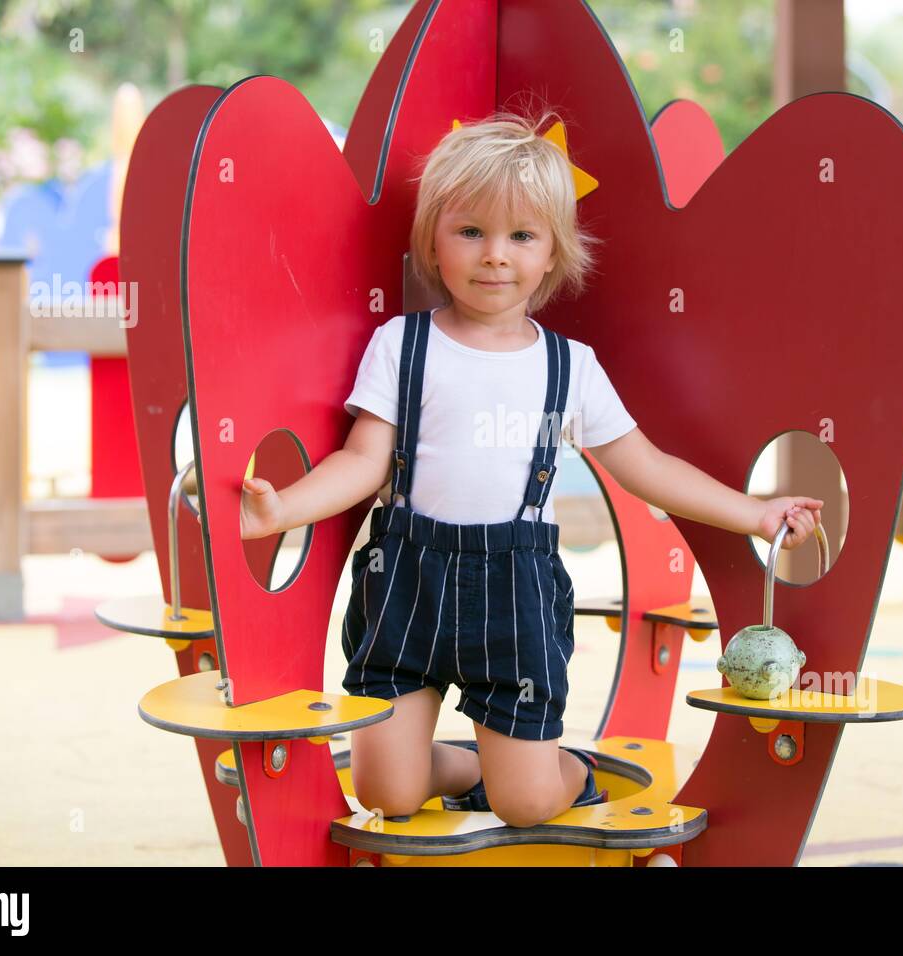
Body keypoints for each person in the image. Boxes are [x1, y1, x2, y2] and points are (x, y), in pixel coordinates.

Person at [236, 110, 823, 829]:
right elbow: (361, 461)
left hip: (514, 597)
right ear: (434, 240)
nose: (495, 256)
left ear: (552, 254)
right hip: (404, 585)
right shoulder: (403, 346)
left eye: (521, 236)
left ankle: (562, 771)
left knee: (525, 806)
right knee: (384, 794)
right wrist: (281, 510)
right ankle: (476, 763)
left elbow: (647, 467)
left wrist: (755, 512)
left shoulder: (567, 368)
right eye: (472, 231)